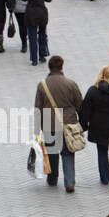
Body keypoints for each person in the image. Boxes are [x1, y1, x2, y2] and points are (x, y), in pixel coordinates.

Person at [33, 55, 81, 191]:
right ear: (61, 67)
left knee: (52, 152)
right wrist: (82, 123)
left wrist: (36, 130)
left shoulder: (42, 85)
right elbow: (79, 105)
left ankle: (53, 178)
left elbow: (38, 108)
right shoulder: (71, 84)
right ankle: (70, 182)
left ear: (49, 68)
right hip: (68, 123)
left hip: (49, 123)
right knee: (68, 152)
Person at [20, 0, 52, 66]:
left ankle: (34, 59)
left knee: (32, 35)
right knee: (42, 33)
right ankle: (42, 55)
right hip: (42, 12)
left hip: (31, 12)